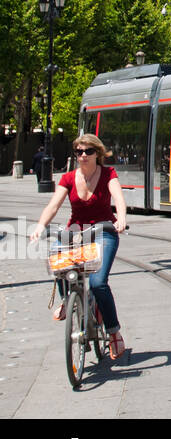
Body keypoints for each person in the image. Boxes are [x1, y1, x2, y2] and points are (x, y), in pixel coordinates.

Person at [28, 133, 128, 359]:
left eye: (88, 152)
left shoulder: (108, 174)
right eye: (79, 152)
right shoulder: (68, 178)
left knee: (98, 282)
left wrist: (120, 218)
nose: (83, 156)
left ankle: (114, 333)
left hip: (104, 231)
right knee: (55, 253)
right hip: (76, 232)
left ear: (97, 153)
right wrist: (40, 226)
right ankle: (67, 300)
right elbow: (53, 205)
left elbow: (119, 199)